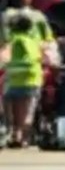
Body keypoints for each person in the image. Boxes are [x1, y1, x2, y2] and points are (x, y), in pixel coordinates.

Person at [2, 14, 45, 148]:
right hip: (33, 78)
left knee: (12, 109)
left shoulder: (13, 40)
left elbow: (4, 57)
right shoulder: (34, 40)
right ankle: (23, 138)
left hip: (14, 79)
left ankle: (14, 134)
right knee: (27, 110)